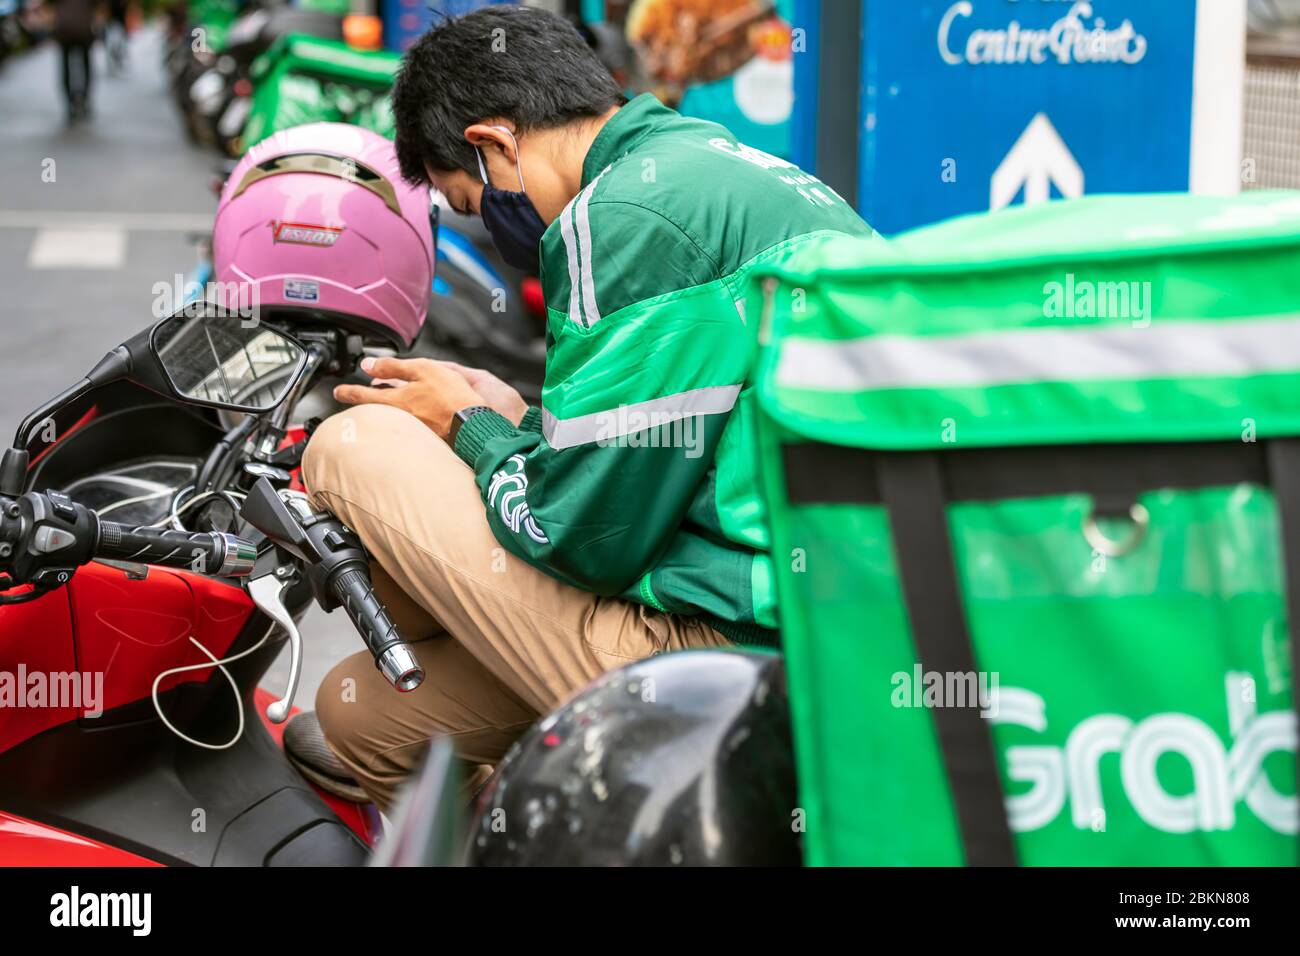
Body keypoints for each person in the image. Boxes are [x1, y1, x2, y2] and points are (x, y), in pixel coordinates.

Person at [301, 4, 873, 812]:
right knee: (362, 717)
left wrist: (470, 425)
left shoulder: (616, 216)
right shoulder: (716, 164)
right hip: (837, 621)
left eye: (471, 200)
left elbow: (580, 536)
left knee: (354, 440)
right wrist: (524, 423)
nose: (490, 222)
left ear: (496, 144)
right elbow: (682, 440)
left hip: (736, 648)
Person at [50, 0, 96, 121]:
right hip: (83, 30)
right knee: (86, 65)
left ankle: (69, 103)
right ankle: (85, 98)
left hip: (65, 30)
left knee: (65, 67)